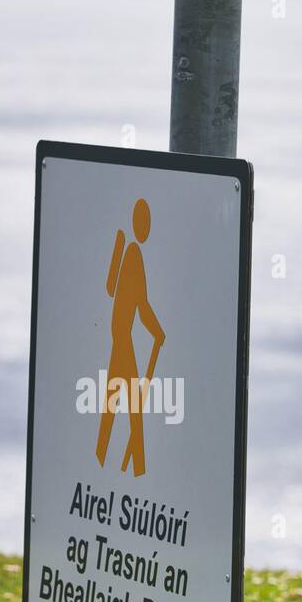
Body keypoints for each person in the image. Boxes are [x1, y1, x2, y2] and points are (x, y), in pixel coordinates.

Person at [95, 198, 165, 477]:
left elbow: (130, 299)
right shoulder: (133, 254)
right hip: (122, 338)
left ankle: (102, 458)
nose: (146, 228)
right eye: (144, 222)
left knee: (112, 406)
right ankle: (138, 470)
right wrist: (158, 332)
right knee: (133, 409)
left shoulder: (130, 253)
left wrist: (156, 331)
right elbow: (143, 304)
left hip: (119, 336)